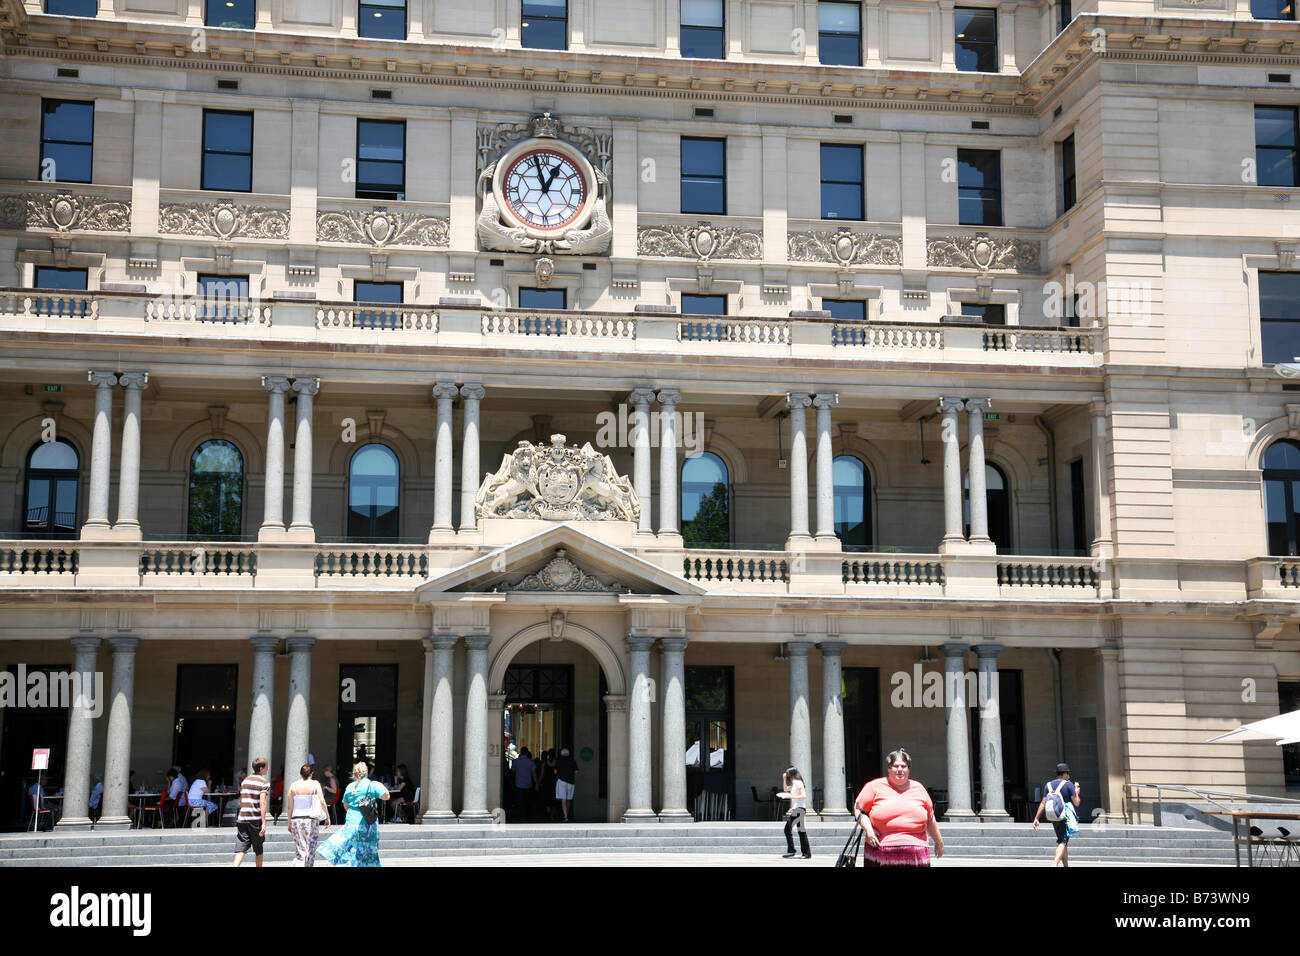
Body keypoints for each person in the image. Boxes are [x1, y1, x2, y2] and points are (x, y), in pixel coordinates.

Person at [854, 748, 944, 867]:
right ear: (889, 769)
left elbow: (930, 819)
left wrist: (939, 841)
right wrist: (869, 830)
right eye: (896, 766)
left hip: (917, 854)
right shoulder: (874, 786)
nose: (900, 770)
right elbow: (858, 809)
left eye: (904, 766)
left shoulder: (919, 788)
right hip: (880, 851)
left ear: (909, 769)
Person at [317, 762, 389, 867]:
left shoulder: (350, 786)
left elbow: (345, 805)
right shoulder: (372, 784)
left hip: (351, 821)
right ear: (366, 773)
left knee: (350, 850)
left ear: (354, 773)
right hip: (368, 823)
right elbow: (386, 796)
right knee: (368, 850)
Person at [1033, 762, 1082, 867]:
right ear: (1064, 774)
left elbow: (1043, 803)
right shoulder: (1068, 784)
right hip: (1065, 816)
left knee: (1063, 841)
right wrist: (1077, 792)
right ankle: (1054, 864)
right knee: (1063, 841)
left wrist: (1036, 818)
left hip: (1053, 816)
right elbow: (1077, 803)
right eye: (1068, 773)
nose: (1069, 775)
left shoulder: (1048, 785)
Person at [287, 762, 329, 866]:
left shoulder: (294, 785)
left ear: (301, 774)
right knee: (310, 848)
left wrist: (289, 821)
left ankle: (299, 863)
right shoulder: (315, 784)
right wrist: (327, 816)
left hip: (296, 819)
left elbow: (290, 806)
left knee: (300, 849)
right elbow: (322, 801)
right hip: (310, 819)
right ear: (312, 773)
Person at [233, 757, 270, 867]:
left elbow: (242, 799)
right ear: (261, 768)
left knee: (241, 848)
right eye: (267, 767)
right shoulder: (264, 782)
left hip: (242, 818)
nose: (268, 769)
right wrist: (264, 822)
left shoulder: (246, 780)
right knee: (258, 849)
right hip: (255, 819)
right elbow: (262, 802)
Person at [776, 766, 811, 859]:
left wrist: (790, 797)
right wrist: (783, 779)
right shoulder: (794, 783)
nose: (787, 776)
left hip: (799, 809)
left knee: (788, 829)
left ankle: (795, 851)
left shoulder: (799, 783)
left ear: (792, 774)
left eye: (787, 775)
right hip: (798, 809)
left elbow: (804, 796)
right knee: (800, 831)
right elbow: (786, 789)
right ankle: (804, 853)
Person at [555, 748, 579, 822]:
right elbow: (576, 772)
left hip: (562, 781)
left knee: (563, 799)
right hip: (571, 782)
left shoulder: (559, 761)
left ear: (561, 754)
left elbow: (555, 772)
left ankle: (565, 817)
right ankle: (566, 815)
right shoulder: (573, 761)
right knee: (568, 799)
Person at [512, 747, 535, 822]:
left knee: (519, 801)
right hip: (528, 784)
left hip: (518, 784)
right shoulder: (531, 762)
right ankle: (526, 815)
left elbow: (513, 772)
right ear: (527, 752)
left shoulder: (516, 761)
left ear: (521, 752)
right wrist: (537, 783)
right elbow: (534, 774)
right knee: (527, 801)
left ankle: (521, 815)